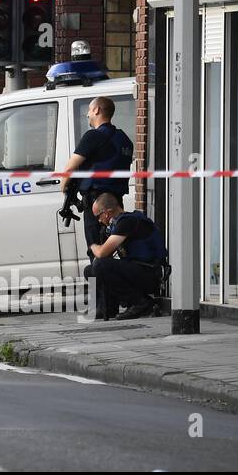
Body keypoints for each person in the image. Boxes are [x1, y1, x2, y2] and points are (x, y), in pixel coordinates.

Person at [59, 96, 134, 260]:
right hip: (116, 203)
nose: (87, 115)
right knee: (113, 249)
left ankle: (97, 285)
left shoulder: (93, 136)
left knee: (96, 252)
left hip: (97, 204)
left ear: (97, 110)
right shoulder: (125, 140)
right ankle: (114, 283)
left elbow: (70, 167)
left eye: (89, 110)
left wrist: (63, 187)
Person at [86, 193, 169, 320]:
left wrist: (92, 246)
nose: (98, 220)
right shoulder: (118, 223)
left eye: (98, 216)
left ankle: (140, 303)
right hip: (139, 270)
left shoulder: (127, 221)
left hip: (151, 273)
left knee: (100, 265)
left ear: (107, 213)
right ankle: (109, 307)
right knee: (90, 270)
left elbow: (102, 253)